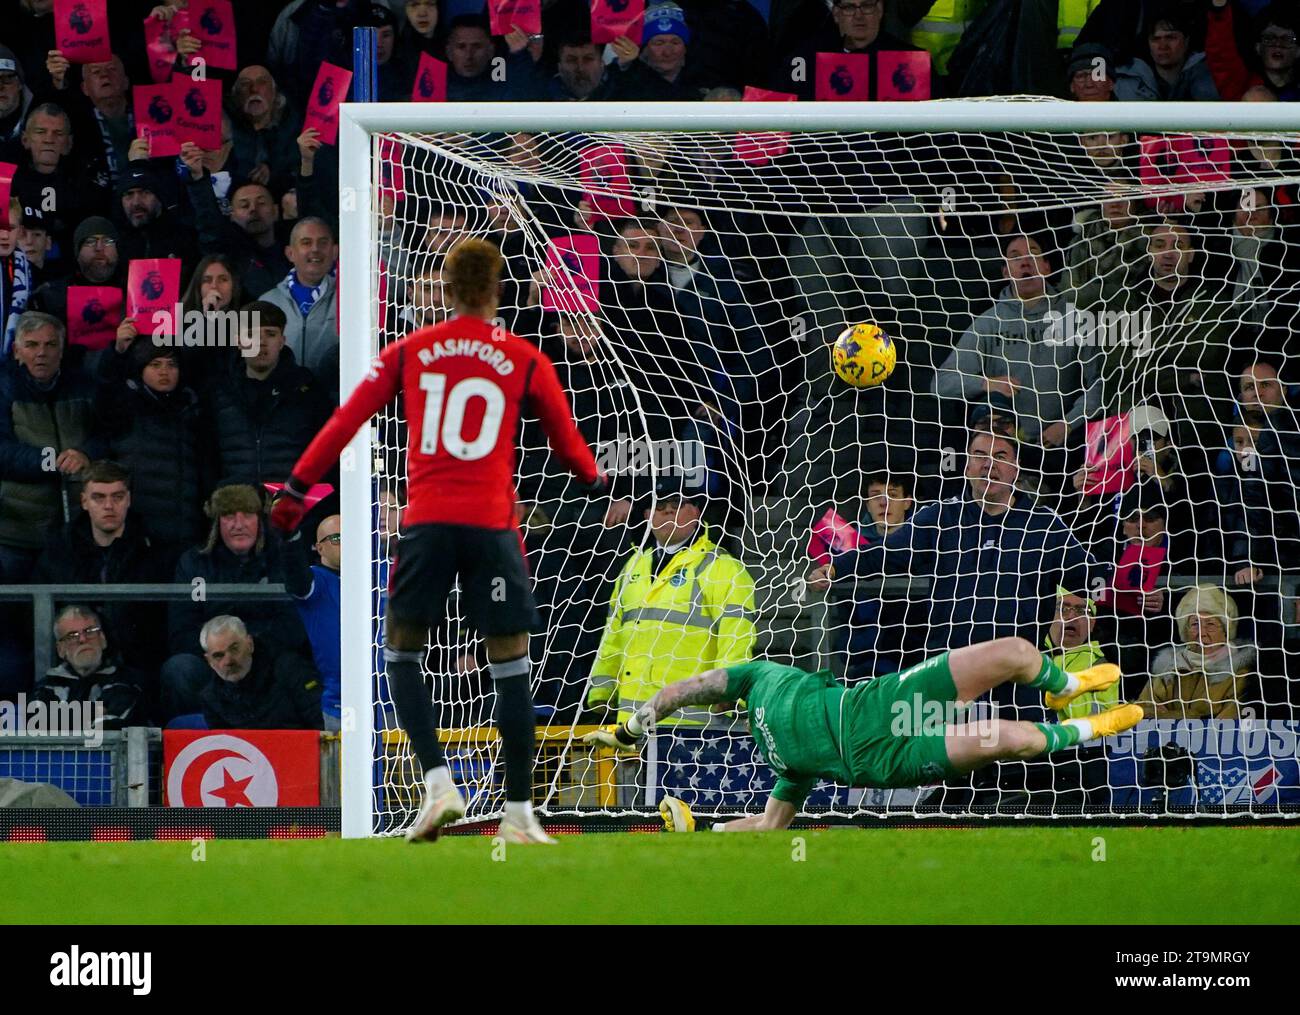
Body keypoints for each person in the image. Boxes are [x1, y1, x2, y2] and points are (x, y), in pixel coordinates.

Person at [269, 238, 602, 845]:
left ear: (445, 292)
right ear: (499, 291)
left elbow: (345, 422)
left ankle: (437, 782)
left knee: (400, 651)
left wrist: (296, 489)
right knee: (510, 660)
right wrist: (594, 477)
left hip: (426, 525)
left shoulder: (409, 351)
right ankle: (521, 811)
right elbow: (571, 452)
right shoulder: (526, 358)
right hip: (494, 530)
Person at [584, 636, 1140, 830]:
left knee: (1016, 654)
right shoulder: (788, 768)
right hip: (880, 762)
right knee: (1010, 740)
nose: (718, 693)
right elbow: (770, 825)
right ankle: (1088, 726)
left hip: (875, 706)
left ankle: (1066, 685)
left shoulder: (760, 674)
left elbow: (684, 688)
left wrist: (632, 730)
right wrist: (704, 832)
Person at [585, 476, 756, 734]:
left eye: (677, 503)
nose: (667, 510)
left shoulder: (722, 567)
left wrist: (731, 689)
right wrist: (602, 688)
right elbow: (613, 633)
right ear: (645, 514)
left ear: (697, 511)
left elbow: (736, 637)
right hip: (630, 726)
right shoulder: (633, 567)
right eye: (659, 504)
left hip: (691, 730)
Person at [1138, 585, 1256, 720]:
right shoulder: (1167, 671)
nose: (1202, 633)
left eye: (1210, 624)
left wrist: (1168, 715)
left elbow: (1225, 727)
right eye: (1195, 624)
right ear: (1185, 631)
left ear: (1225, 631)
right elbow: (1141, 713)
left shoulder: (1240, 676)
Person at [196, 615, 324, 731]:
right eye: (218, 655)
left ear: (250, 644)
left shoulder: (290, 670)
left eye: (234, 649)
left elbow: (322, 724)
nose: (228, 661)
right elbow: (226, 751)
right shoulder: (211, 699)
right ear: (209, 661)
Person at [34, 605, 145, 731]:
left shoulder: (126, 681)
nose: (82, 639)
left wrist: (65, 717)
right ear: (61, 649)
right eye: (72, 635)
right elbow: (37, 722)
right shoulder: (47, 686)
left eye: (90, 631)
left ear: (103, 639)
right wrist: (96, 711)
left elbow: (113, 724)